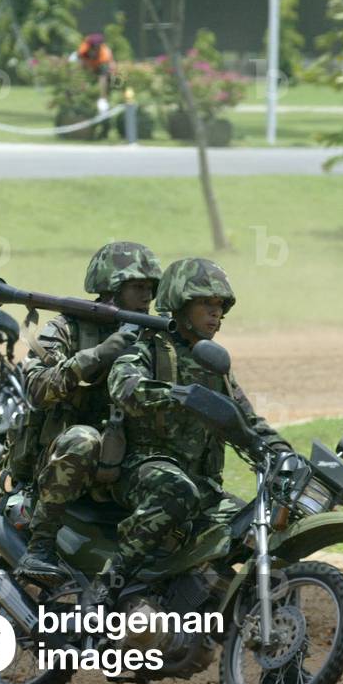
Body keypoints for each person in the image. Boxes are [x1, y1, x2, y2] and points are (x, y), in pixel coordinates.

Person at [99, 258, 290, 604]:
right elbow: (124, 387)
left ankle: (217, 607)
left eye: (220, 307)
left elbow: (247, 420)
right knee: (177, 489)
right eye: (206, 304)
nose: (216, 314)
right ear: (181, 306)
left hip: (203, 486)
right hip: (143, 471)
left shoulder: (215, 366)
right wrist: (177, 395)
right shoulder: (148, 348)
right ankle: (107, 584)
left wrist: (283, 453)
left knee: (252, 527)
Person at [14, 242, 163, 584]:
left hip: (127, 455)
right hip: (68, 457)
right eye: (138, 287)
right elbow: (37, 388)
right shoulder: (68, 328)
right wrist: (100, 354)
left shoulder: (153, 335)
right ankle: (40, 547)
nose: (147, 296)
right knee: (83, 439)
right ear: (111, 288)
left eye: (151, 288)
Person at [76, 32, 116, 111]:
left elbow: (111, 65)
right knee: (80, 75)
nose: (95, 49)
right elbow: (80, 64)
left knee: (104, 74)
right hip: (87, 65)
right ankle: (80, 96)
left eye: (98, 47)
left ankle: (103, 99)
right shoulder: (83, 49)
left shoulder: (105, 53)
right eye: (94, 47)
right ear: (89, 46)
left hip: (98, 66)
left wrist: (112, 72)